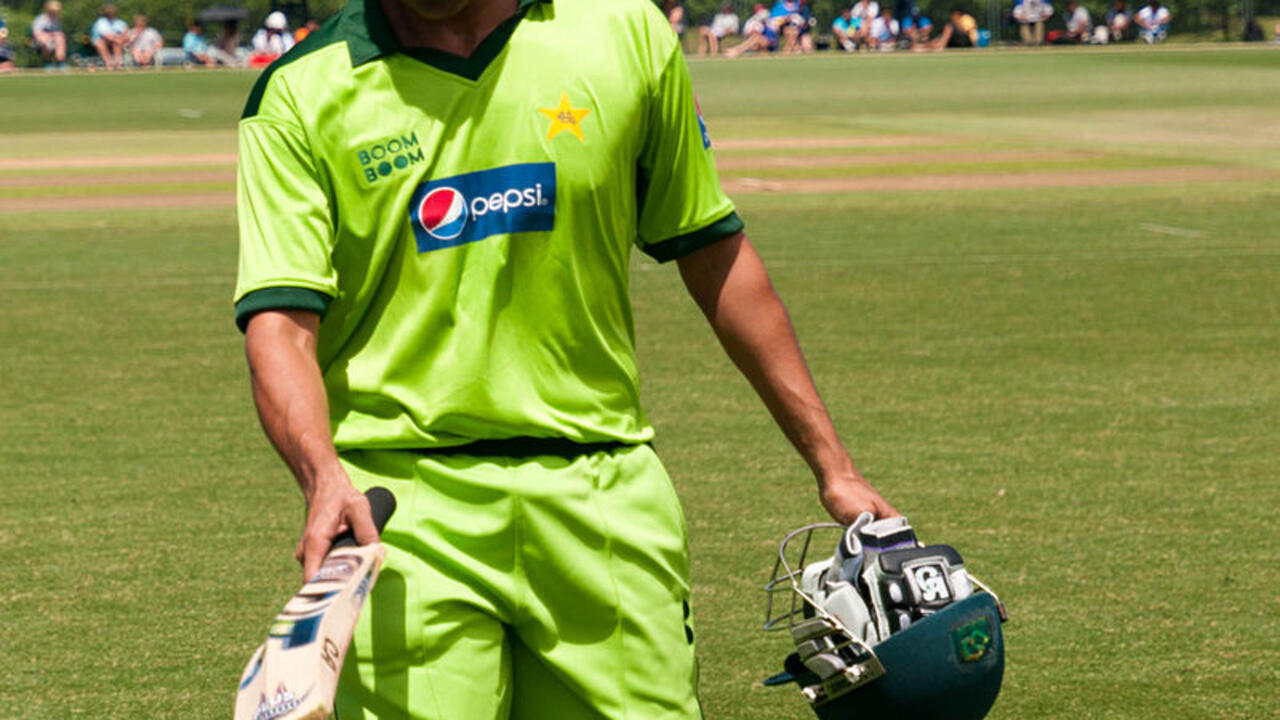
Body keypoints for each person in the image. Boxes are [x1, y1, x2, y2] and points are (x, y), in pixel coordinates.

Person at [234, 2, 898, 720]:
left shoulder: (623, 30)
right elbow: (281, 325)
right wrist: (320, 473)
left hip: (604, 493)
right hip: (401, 512)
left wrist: (835, 468)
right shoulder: (301, 91)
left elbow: (713, 251)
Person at [90, 4, 129, 70]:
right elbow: (105, 36)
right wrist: (118, 39)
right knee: (100, 43)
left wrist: (121, 39)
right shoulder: (101, 22)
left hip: (116, 41)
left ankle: (118, 63)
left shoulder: (120, 23)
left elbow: (126, 33)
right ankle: (108, 63)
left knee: (117, 44)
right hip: (102, 40)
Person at [31, 0, 68, 69]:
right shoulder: (40, 19)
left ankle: (61, 62)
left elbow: (58, 32)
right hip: (38, 43)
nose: (55, 13)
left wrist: (56, 35)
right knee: (45, 41)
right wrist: (49, 35)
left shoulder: (57, 20)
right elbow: (36, 33)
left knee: (60, 39)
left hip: (53, 40)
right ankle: (47, 62)